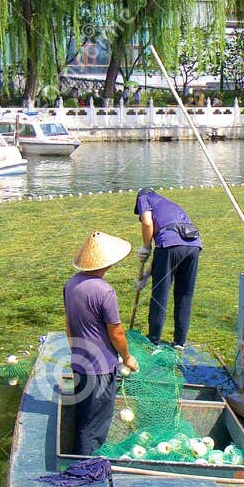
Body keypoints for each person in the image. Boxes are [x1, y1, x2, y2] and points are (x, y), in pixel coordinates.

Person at [63, 232, 138, 455]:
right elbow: (116, 332)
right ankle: (87, 466)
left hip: (79, 364)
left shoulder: (71, 284)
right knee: (95, 424)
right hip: (101, 369)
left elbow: (68, 324)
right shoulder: (104, 291)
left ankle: (79, 457)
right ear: (108, 262)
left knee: (83, 417)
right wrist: (127, 357)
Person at [134, 186, 201, 347]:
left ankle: (153, 340)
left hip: (170, 245)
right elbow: (164, 252)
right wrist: (147, 276)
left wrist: (146, 246)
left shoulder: (144, 198)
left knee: (160, 295)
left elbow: (148, 223)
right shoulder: (170, 204)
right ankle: (179, 342)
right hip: (193, 246)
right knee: (185, 295)